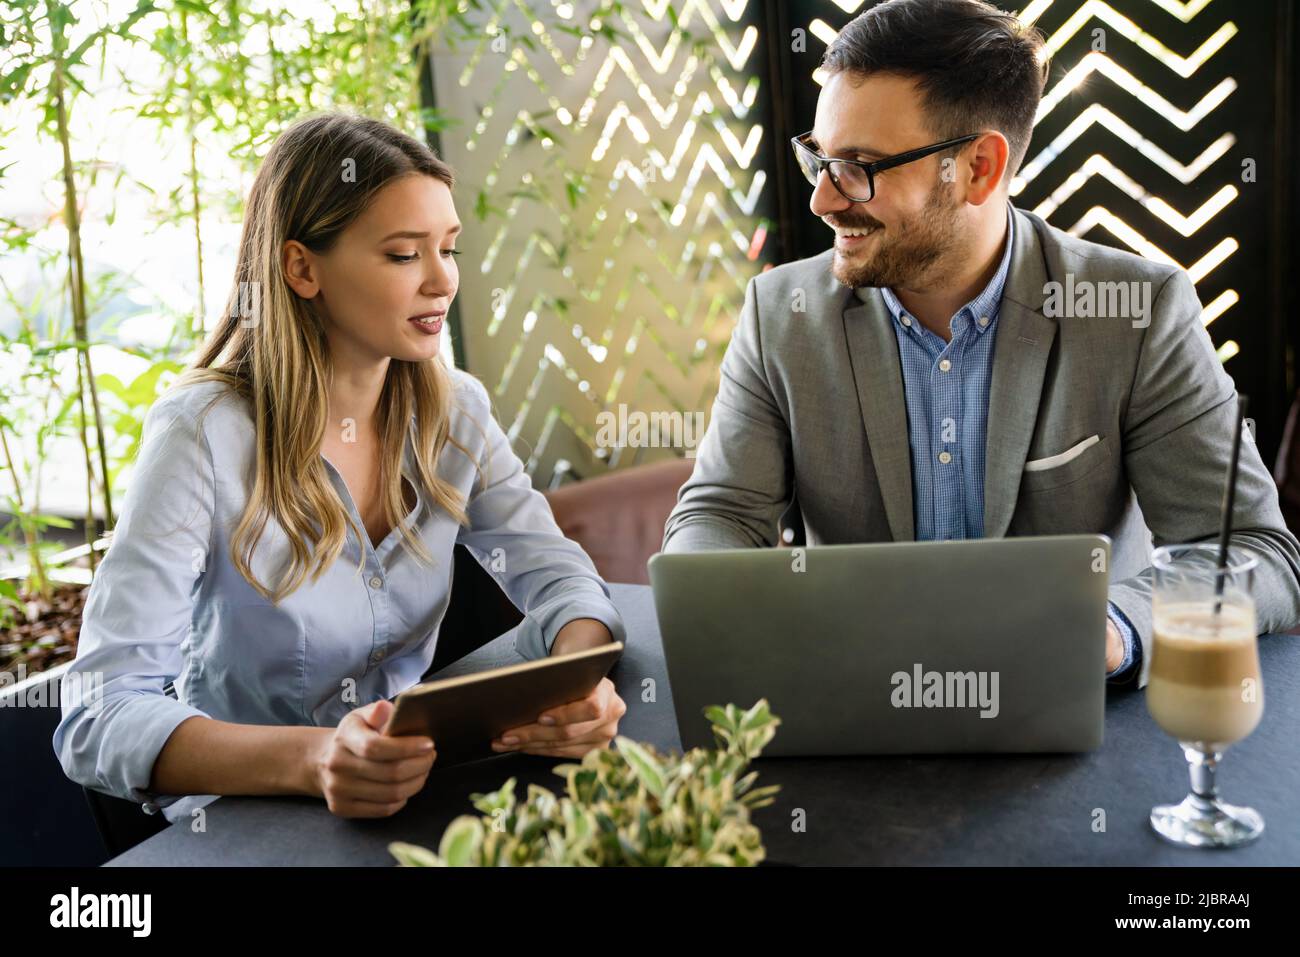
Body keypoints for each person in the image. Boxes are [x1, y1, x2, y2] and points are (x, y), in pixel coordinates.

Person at [661, 0, 1300, 688]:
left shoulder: (1137, 313)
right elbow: (720, 514)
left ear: (979, 168)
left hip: (1073, 724)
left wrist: (1114, 630)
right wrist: (720, 602)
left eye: (859, 166)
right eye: (819, 157)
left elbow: (1255, 554)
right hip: (857, 710)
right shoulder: (779, 314)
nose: (822, 198)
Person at [54, 113, 627, 823]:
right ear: (301, 267)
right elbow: (97, 712)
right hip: (247, 822)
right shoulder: (200, 436)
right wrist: (316, 757)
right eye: (402, 255)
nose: (441, 280)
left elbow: (563, 579)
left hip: (411, 800)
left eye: (447, 249)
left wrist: (577, 685)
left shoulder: (458, 411)